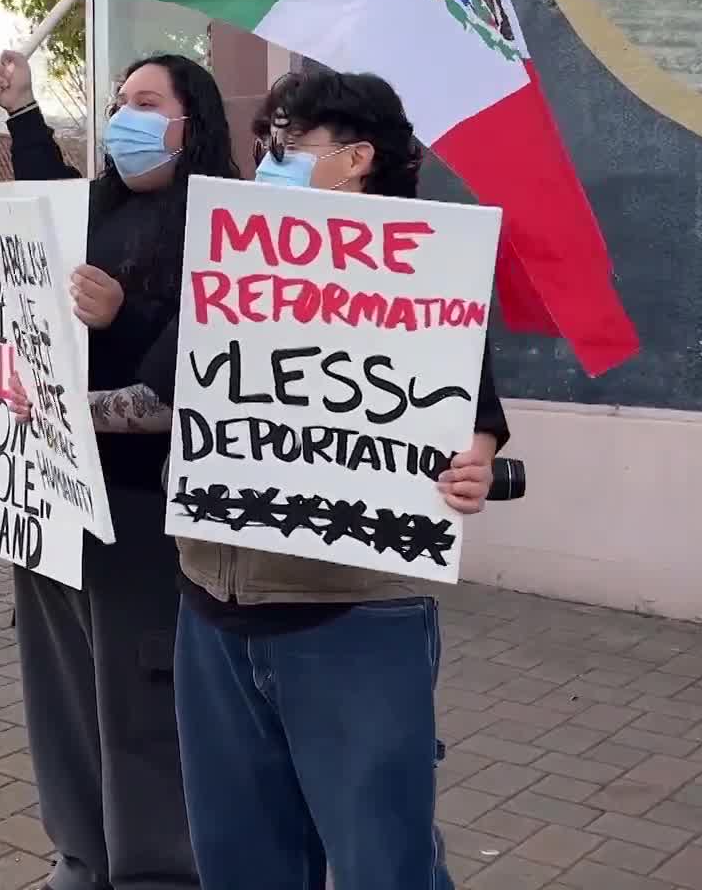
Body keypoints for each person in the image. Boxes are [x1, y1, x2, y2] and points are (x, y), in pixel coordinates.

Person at [92, 69, 498, 890]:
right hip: (211, 611)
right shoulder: (235, 258)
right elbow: (163, 395)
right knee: (242, 861)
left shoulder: (425, 271)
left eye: (288, 141)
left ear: (355, 159)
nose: (267, 157)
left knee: (383, 861)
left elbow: (471, 411)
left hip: (352, 621)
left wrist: (475, 462)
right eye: (264, 139)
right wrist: (58, 410)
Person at [0, 46, 238, 890]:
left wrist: (124, 320)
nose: (125, 115)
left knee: (138, 701)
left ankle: (157, 870)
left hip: (142, 505)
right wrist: (22, 110)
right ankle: (81, 852)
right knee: (60, 691)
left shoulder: (223, 225)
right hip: (49, 490)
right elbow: (35, 205)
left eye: (146, 101)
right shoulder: (94, 205)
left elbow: (194, 373)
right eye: (119, 100)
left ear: (191, 123)